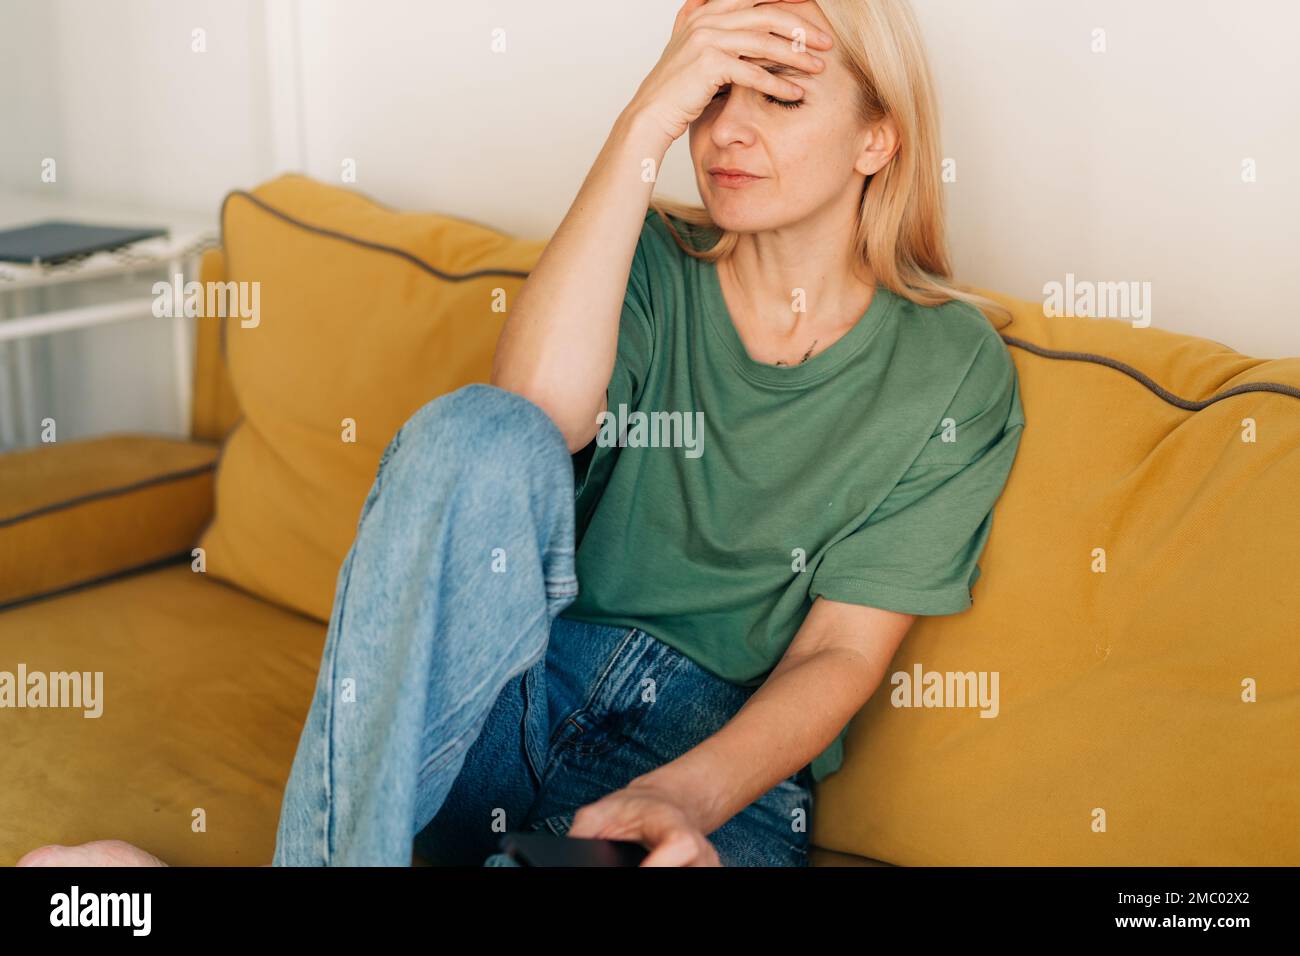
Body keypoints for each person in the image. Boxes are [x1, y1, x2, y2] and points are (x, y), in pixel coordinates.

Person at [17, 0, 1024, 869]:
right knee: (474, 428)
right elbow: (526, 416)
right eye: (711, 95)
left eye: (777, 96)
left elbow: (841, 651)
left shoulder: (950, 367)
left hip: (716, 755)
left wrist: (689, 795)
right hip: (512, 697)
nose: (725, 133)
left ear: (876, 139)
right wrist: (641, 119)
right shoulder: (643, 261)